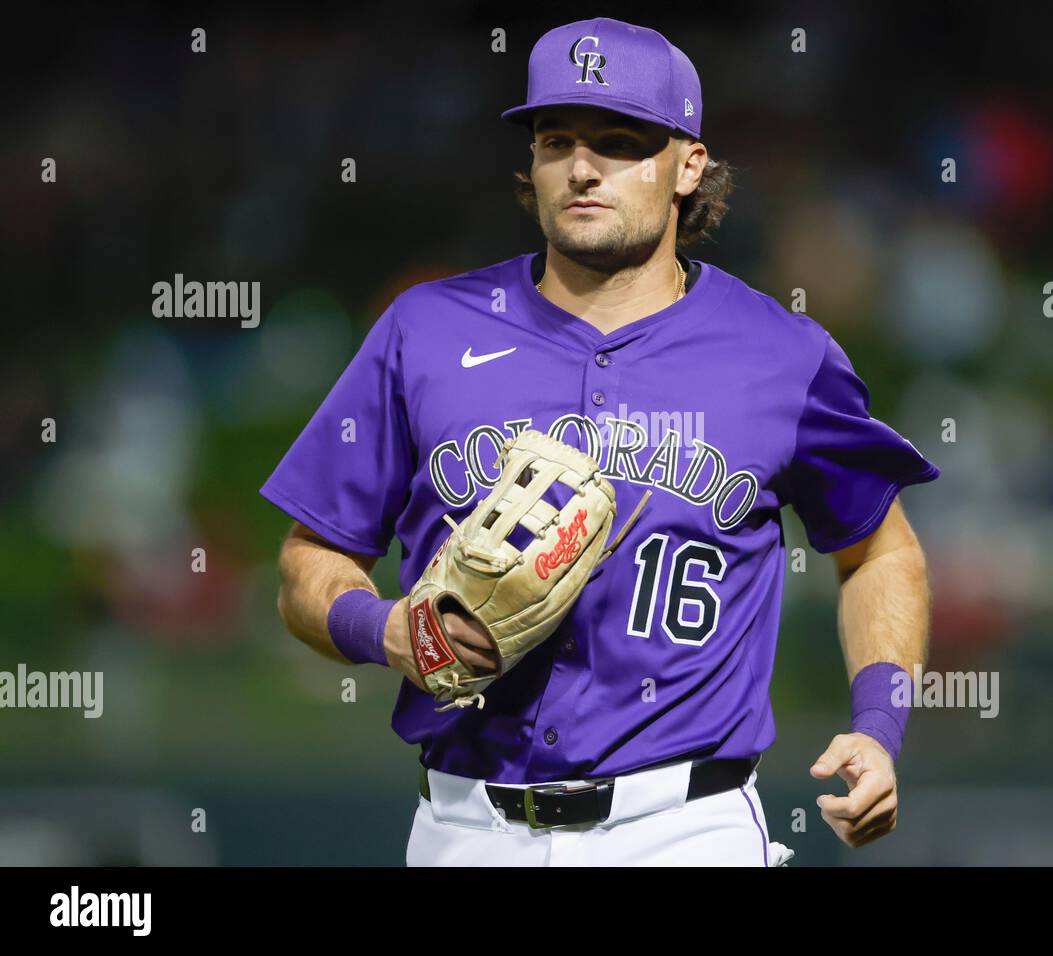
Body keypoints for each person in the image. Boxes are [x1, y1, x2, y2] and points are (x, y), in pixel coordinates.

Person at [262, 16, 939, 866]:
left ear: (689, 164)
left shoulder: (781, 355)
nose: (582, 169)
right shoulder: (425, 330)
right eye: (556, 141)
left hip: (687, 826)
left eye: (619, 142)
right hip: (467, 828)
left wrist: (878, 727)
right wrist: (384, 628)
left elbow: (878, 550)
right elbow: (307, 560)